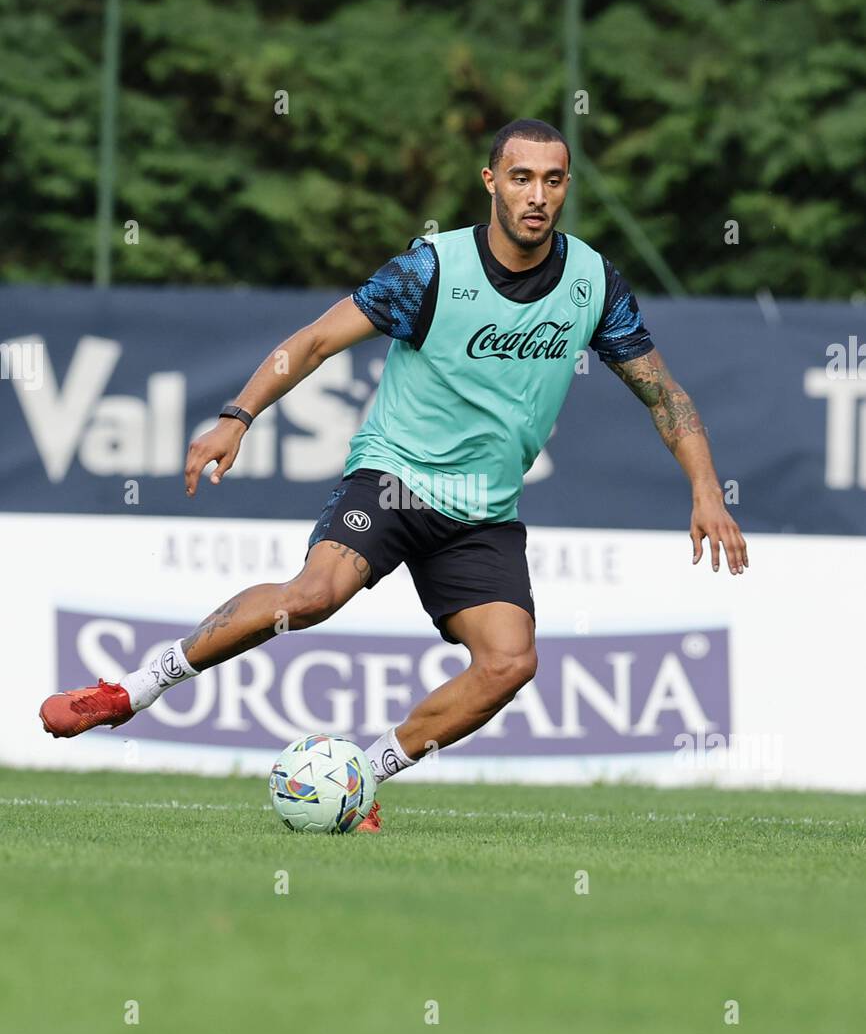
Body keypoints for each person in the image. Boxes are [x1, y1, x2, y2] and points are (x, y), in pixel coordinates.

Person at [39, 118, 748, 831]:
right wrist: (237, 415)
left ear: (566, 187)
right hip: (395, 478)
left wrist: (706, 489)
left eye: (553, 180)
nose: (537, 195)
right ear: (491, 182)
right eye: (522, 177)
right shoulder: (433, 270)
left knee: (510, 663)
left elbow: (665, 394)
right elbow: (315, 342)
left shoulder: (593, 281)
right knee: (314, 596)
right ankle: (133, 690)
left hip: (483, 510)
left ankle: (363, 776)